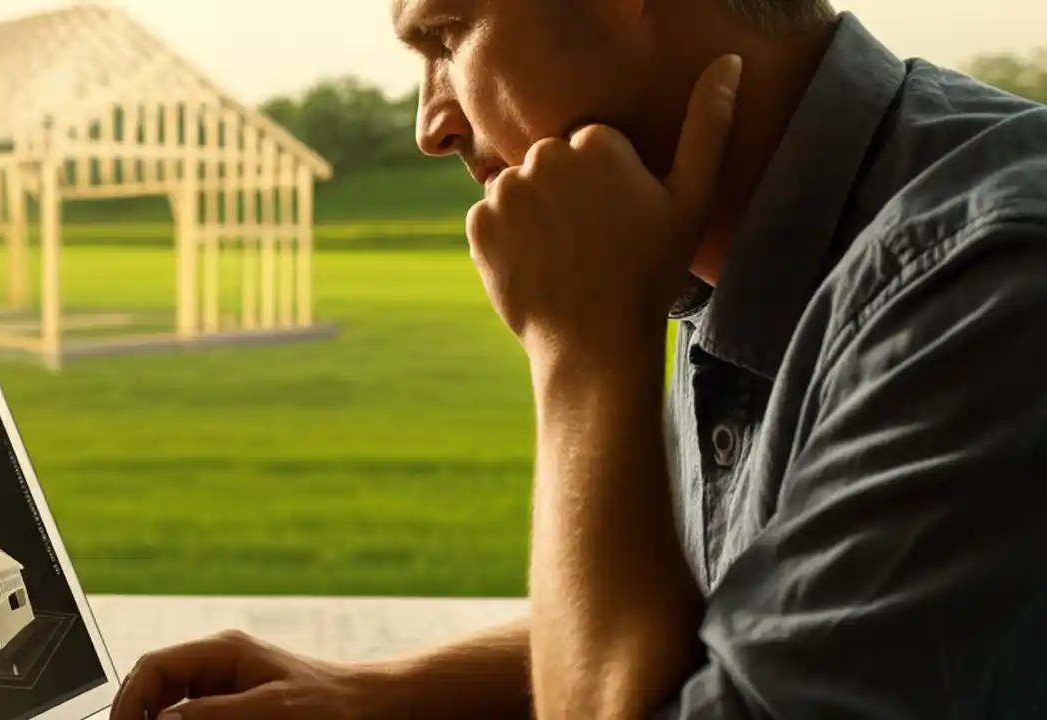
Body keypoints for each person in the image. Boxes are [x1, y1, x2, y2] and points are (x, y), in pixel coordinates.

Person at [111, 0, 1047, 717]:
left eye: (447, 35)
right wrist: (377, 696)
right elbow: (746, 623)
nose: (429, 124)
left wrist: (582, 358)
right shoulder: (741, 245)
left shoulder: (986, 289)